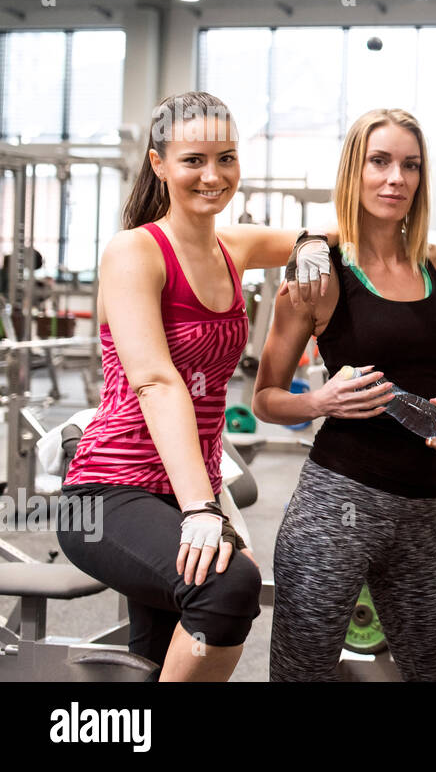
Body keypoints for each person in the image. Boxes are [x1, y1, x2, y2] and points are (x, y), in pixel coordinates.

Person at [57, 90, 330, 681]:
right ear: (158, 163)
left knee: (156, 658)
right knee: (228, 587)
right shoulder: (136, 252)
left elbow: (330, 234)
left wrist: (309, 245)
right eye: (194, 160)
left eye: (227, 158)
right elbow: (156, 381)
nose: (214, 175)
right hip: (108, 492)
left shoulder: (235, 247)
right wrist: (201, 508)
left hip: (180, 491)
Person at [253, 107, 436, 682]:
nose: (395, 178)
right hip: (335, 508)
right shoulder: (320, 271)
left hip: (423, 512)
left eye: (410, 165)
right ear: (354, 170)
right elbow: (265, 397)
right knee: (303, 675)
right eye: (380, 161)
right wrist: (320, 403)